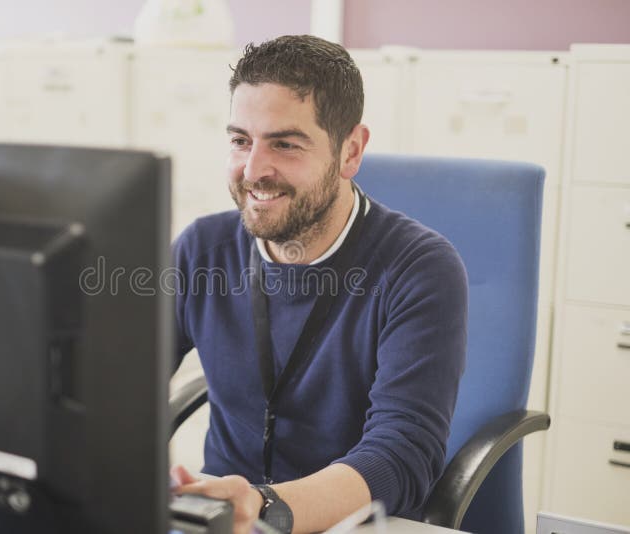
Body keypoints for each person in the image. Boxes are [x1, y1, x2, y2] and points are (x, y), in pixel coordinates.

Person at [170, 35, 468, 534]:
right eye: (241, 140)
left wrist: (261, 505)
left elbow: (402, 454)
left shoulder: (420, 267)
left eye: (285, 144)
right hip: (220, 523)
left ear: (350, 151)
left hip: (354, 525)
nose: (254, 170)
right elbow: (116, 384)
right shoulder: (203, 247)